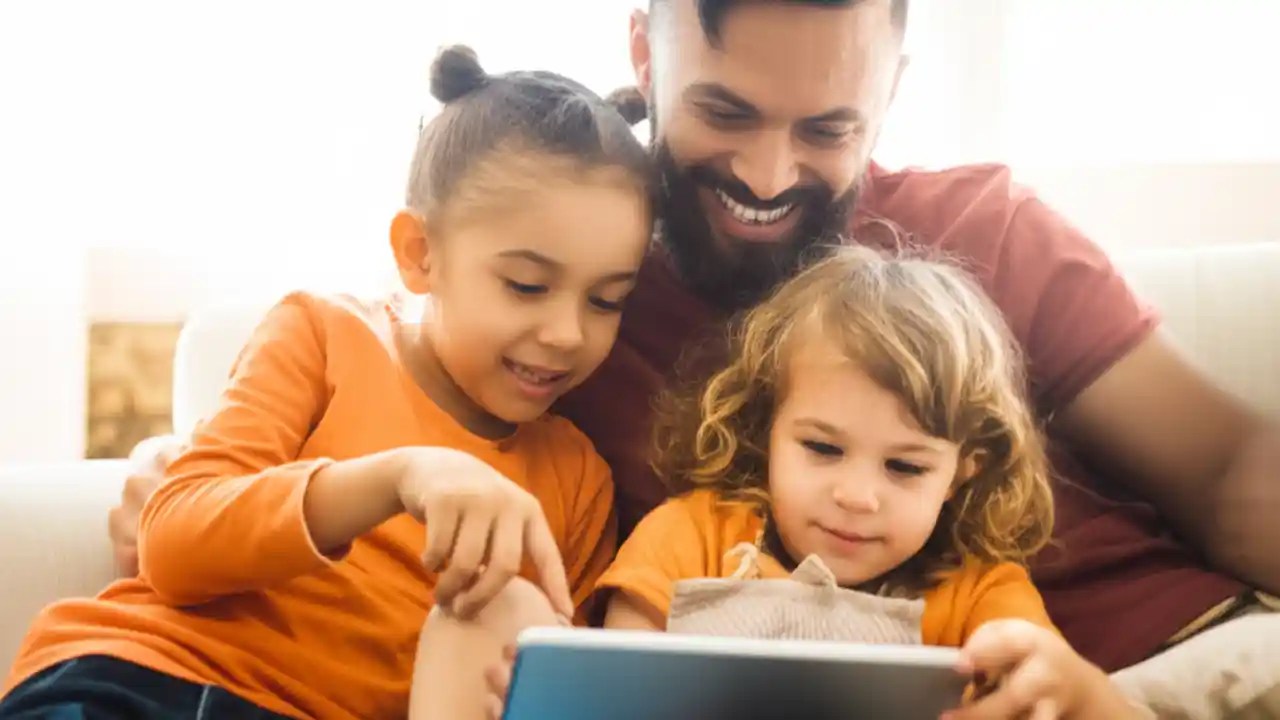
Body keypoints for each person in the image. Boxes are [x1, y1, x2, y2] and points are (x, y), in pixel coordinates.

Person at [112, 0, 1280, 678]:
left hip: (1180, 662)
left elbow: (1229, 469)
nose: (769, 176)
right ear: (645, 52)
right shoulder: (578, 309)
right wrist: (188, 469)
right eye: (724, 111)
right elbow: (402, 368)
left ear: (891, 86)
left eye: (827, 127)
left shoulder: (986, 226)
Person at [2, 47, 651, 720]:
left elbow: (550, 683)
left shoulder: (577, 480)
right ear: (420, 254)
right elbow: (170, 543)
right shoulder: (323, 335)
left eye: (606, 301)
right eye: (526, 285)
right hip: (154, 681)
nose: (568, 333)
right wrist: (401, 475)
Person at [488, 246, 1145, 719]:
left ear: (961, 471)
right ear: (767, 425)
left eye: (905, 467)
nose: (857, 496)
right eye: (823, 448)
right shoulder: (690, 535)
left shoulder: (980, 593)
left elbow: (1052, 692)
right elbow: (619, 687)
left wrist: (1080, 691)